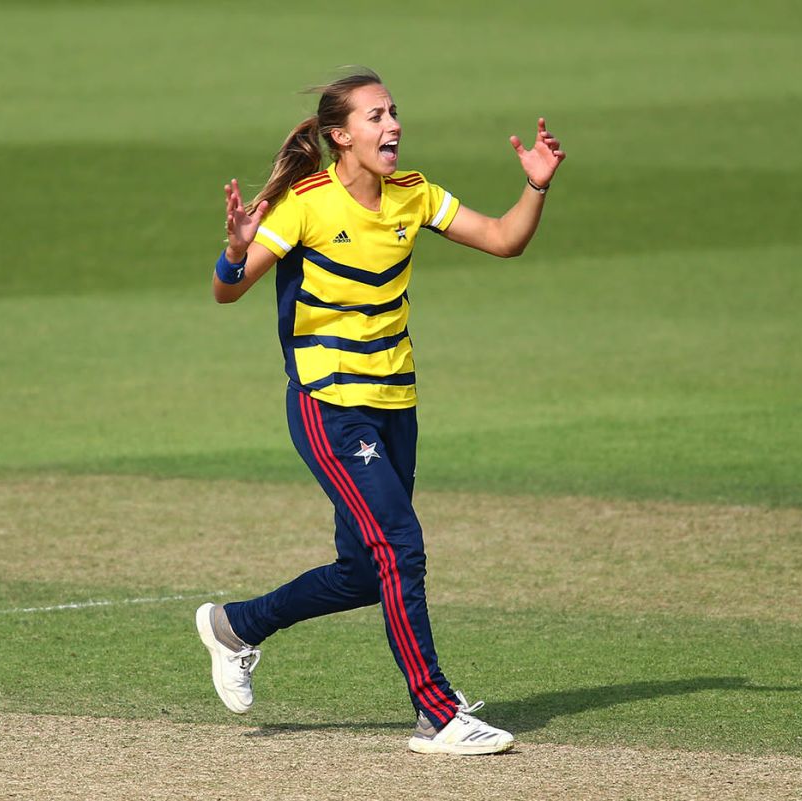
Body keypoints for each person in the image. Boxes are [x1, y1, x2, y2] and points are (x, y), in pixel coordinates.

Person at [195, 68, 564, 755]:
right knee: (401, 546)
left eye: (393, 112)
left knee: (366, 569)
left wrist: (535, 184)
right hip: (329, 405)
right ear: (340, 137)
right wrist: (234, 252)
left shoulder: (413, 194)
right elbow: (228, 291)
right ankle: (438, 712)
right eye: (375, 116)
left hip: (397, 402)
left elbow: (505, 238)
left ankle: (235, 626)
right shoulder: (305, 203)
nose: (392, 125)